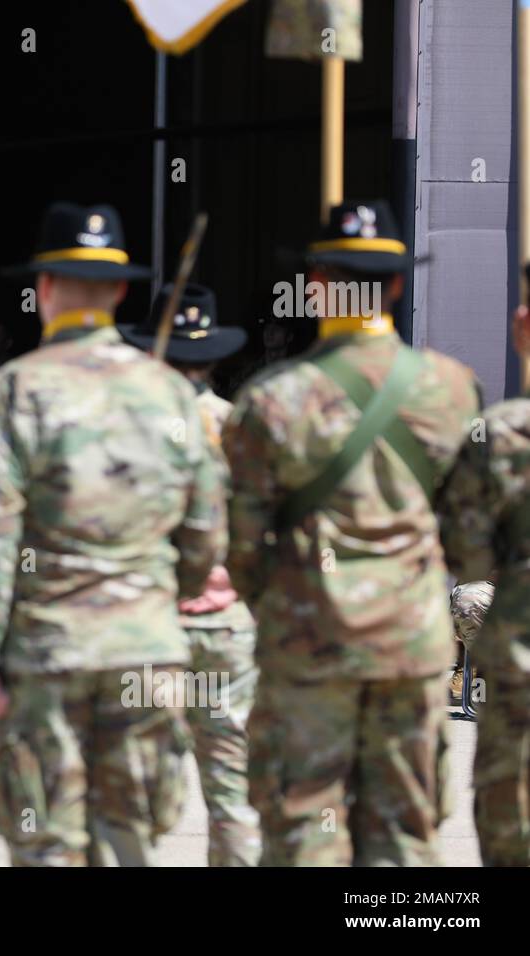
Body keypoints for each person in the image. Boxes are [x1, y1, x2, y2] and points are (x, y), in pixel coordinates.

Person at [0, 201, 226, 866]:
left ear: (43, 290)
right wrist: (158, 600)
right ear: (121, 290)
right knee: (128, 841)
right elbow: (208, 533)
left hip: (48, 655)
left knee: (48, 844)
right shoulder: (174, 394)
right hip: (146, 653)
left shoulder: (13, 392)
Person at [223, 200, 481, 866]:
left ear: (315, 283)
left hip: (311, 641)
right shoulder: (451, 389)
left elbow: (243, 547)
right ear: (395, 285)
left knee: (307, 826)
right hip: (411, 643)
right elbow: (467, 535)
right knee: (404, 831)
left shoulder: (272, 397)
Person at [118, 282, 261, 866]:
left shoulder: (123, 427)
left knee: (139, 788)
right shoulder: (240, 428)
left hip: (151, 625)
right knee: (233, 791)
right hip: (227, 627)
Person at [438, 281, 530, 866]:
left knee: (508, 822)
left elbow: (462, 551)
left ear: (522, 327)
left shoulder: (500, 434)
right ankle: (462, 678)